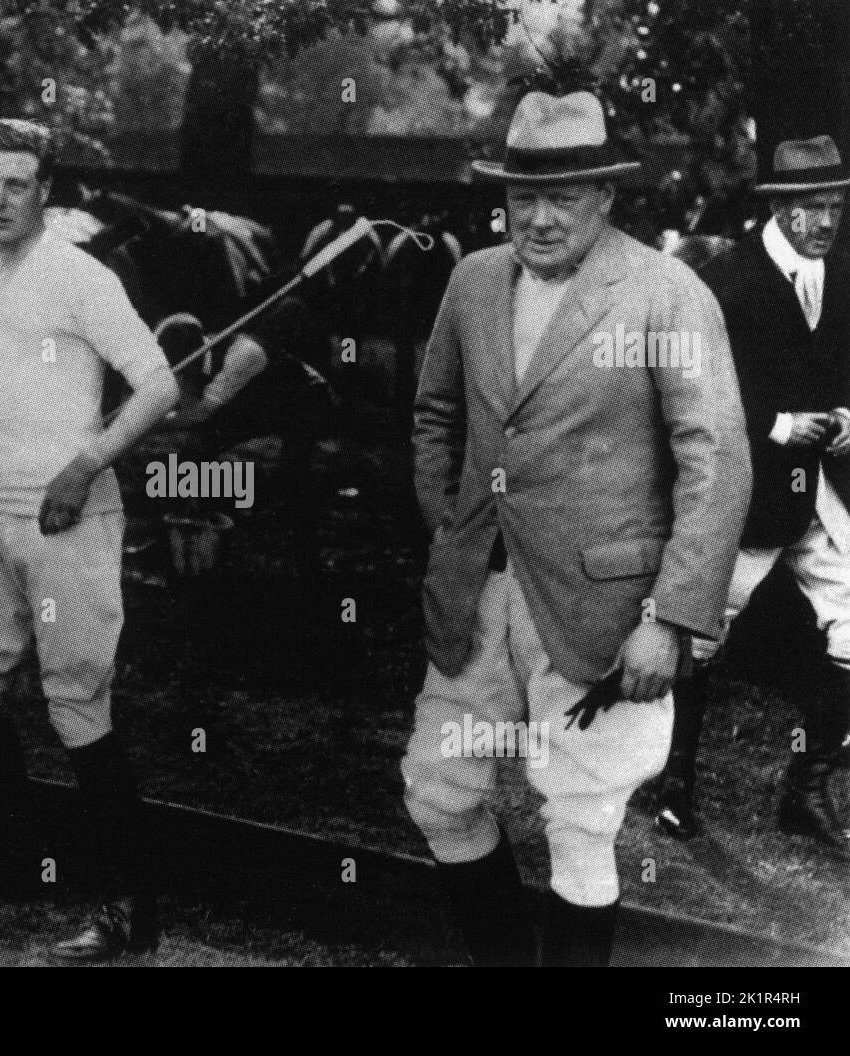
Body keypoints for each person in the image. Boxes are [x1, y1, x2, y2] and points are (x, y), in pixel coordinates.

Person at [401, 90, 751, 967]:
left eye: (563, 198)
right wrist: (449, 529)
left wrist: (671, 617)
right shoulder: (475, 281)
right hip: (479, 593)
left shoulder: (665, 293)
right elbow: (435, 413)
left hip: (604, 609)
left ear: (606, 196)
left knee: (582, 822)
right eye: (523, 197)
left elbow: (716, 460)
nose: (540, 218)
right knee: (438, 792)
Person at [0, 118, 179, 963]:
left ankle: (129, 910)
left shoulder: (79, 275)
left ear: (45, 192)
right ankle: (13, 862)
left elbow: (159, 385)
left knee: (75, 706)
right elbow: (4, 400)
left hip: (69, 522)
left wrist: (86, 465)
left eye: (16, 184)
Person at [654, 135, 850, 857]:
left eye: (835, 207)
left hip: (816, 491)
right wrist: (775, 423)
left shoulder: (841, 275)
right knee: (700, 632)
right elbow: (690, 385)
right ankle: (672, 781)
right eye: (811, 208)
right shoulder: (726, 280)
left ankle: (806, 788)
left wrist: (844, 416)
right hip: (744, 491)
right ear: (779, 207)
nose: (825, 222)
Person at [150, 298, 336, 575]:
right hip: (251, 400)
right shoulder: (186, 361)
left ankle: (307, 558)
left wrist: (142, 427)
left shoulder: (245, 353)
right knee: (195, 451)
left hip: (303, 399)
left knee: (294, 474)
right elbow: (187, 408)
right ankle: (185, 533)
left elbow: (200, 413)